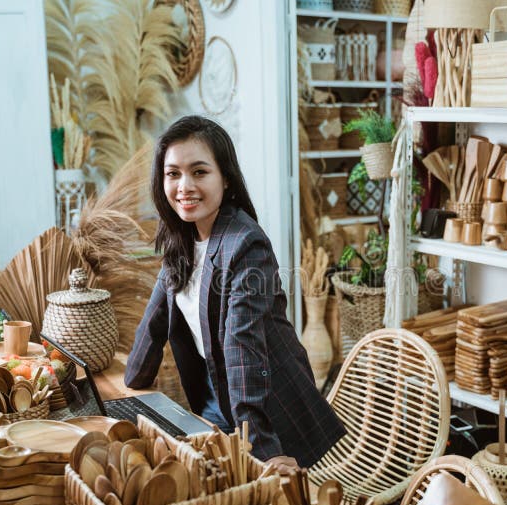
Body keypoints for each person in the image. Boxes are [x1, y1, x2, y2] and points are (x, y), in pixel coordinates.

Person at [125, 115, 345, 471]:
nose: (184, 186)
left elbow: (242, 349)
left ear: (225, 178)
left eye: (199, 172)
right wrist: (132, 381)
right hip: (216, 399)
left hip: (267, 408)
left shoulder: (246, 244)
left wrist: (261, 448)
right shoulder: (180, 237)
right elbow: (155, 319)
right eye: (173, 173)